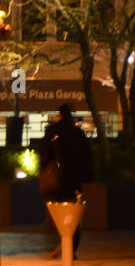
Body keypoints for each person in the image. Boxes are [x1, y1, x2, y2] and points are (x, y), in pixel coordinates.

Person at [39, 103, 94, 257]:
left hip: (57, 180)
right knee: (73, 213)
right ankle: (71, 247)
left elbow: (44, 155)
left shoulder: (52, 131)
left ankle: (62, 243)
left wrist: (43, 171)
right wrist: (88, 177)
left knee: (57, 212)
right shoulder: (78, 133)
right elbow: (87, 157)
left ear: (60, 115)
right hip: (74, 180)